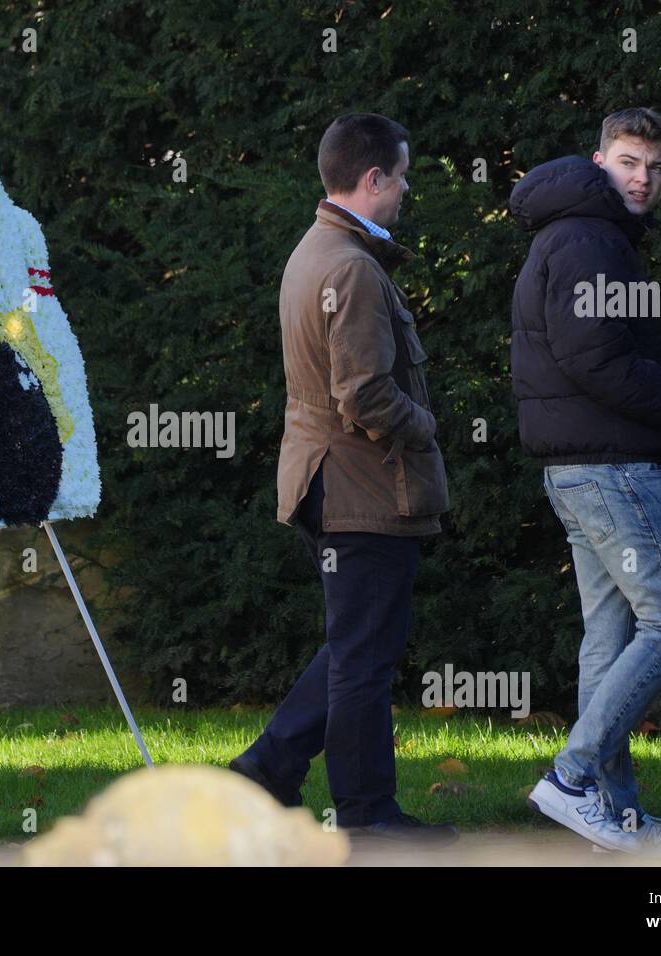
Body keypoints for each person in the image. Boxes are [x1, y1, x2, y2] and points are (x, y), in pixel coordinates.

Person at [229, 113, 455, 845]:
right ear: (373, 179)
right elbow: (364, 396)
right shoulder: (352, 266)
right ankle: (368, 818)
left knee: (356, 644)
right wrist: (427, 425)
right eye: (402, 175)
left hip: (330, 479)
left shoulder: (316, 249)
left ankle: (266, 772)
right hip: (362, 486)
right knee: (363, 660)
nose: (406, 189)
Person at [510, 107, 661, 854]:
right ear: (598, 161)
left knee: (610, 635)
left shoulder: (581, 231)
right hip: (612, 469)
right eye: (628, 162)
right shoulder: (589, 238)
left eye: (655, 167)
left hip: (580, 468)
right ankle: (573, 777)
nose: (642, 178)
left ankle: (611, 818)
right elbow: (594, 358)